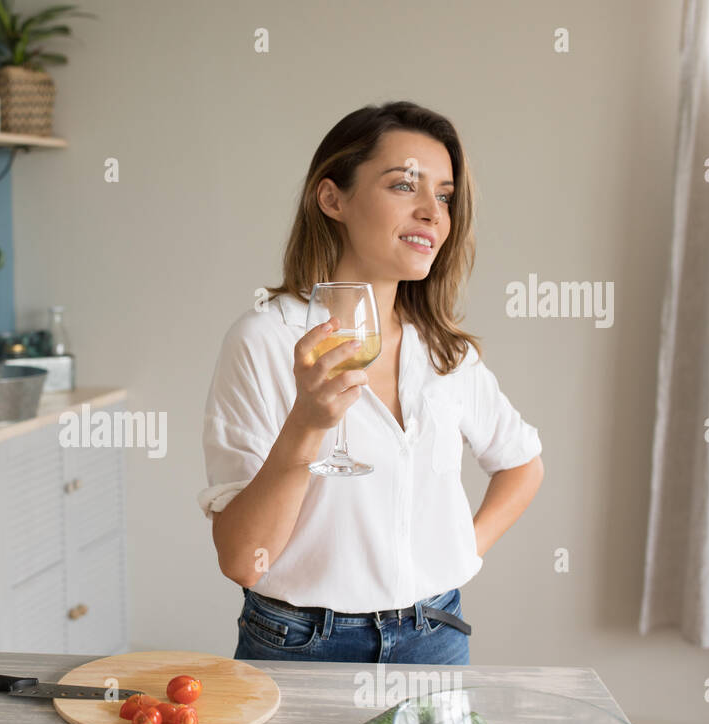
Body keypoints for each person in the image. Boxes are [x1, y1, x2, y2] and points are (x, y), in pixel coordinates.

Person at [200, 101, 544, 665]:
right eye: (405, 185)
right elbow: (242, 560)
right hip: (302, 646)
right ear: (333, 198)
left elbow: (523, 464)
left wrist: (458, 554)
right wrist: (307, 426)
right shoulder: (265, 339)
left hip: (435, 635)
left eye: (445, 195)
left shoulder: (443, 349)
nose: (433, 212)